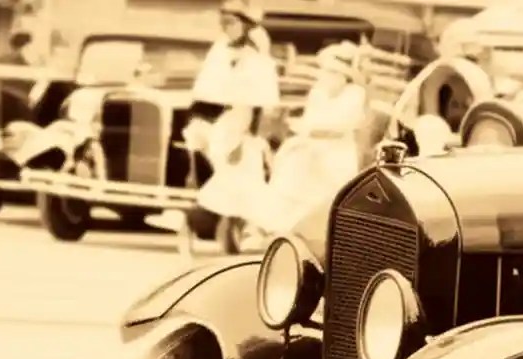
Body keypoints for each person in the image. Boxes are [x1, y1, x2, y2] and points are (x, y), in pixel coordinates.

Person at [146, 0, 280, 257]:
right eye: (224, 23)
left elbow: (259, 100)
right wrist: (200, 125)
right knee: (228, 183)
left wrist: (246, 135)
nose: (227, 28)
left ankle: (235, 229)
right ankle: (194, 222)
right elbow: (205, 93)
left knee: (242, 185)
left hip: (242, 128)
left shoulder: (256, 59)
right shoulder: (220, 52)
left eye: (232, 23)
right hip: (219, 124)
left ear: (246, 25)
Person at [252, 41, 368, 236]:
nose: (329, 77)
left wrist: (311, 131)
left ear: (345, 77)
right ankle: (283, 228)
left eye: (334, 73)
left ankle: (323, 229)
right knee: (290, 165)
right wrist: (303, 132)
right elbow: (309, 121)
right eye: (327, 72)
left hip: (336, 150)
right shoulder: (318, 93)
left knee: (325, 185)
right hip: (311, 145)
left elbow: (341, 126)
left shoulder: (354, 94)